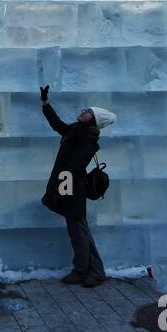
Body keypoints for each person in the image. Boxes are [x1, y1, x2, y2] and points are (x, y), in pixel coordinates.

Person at [39, 85, 115, 288]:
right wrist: (46, 103)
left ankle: (89, 272)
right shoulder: (75, 131)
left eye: (89, 112)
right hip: (67, 186)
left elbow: (74, 166)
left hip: (74, 190)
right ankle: (88, 270)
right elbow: (57, 125)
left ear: (94, 120)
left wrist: (61, 192)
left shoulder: (88, 141)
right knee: (79, 231)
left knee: (79, 232)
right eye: (86, 109)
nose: (84, 111)